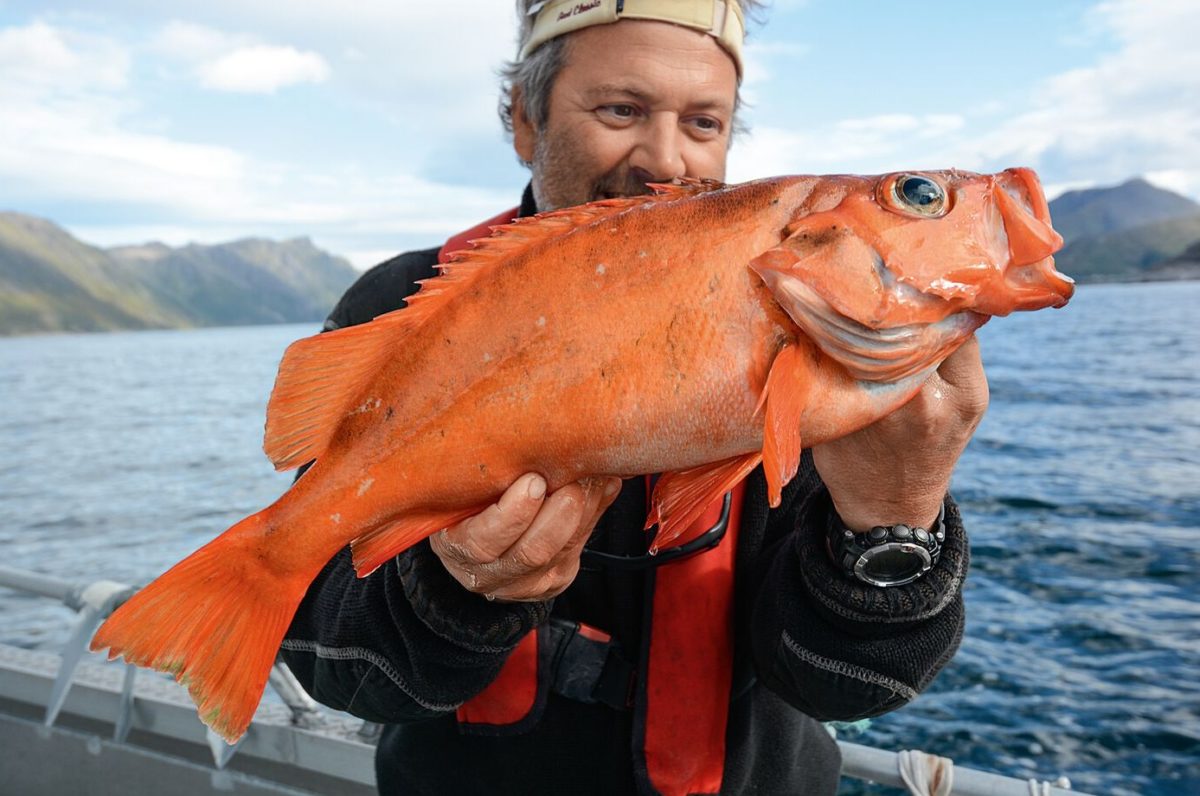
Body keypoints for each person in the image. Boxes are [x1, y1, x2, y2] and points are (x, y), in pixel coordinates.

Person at [281, 2, 983, 794]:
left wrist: (893, 520)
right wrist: (451, 591)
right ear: (525, 118)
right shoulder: (405, 305)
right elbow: (330, 664)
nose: (667, 159)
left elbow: (846, 687)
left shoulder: (809, 317)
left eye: (704, 122)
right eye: (621, 109)